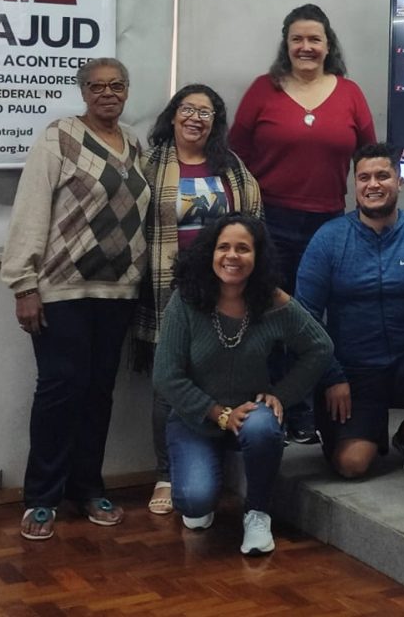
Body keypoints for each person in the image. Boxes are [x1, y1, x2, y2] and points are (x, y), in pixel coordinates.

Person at [2, 58, 151, 541]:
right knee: (59, 391)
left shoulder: (135, 143)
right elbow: (31, 207)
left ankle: (87, 486)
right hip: (61, 290)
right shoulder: (59, 136)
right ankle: (42, 497)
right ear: (83, 91)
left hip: (118, 292)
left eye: (116, 85)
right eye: (97, 86)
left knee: (97, 393)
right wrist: (24, 284)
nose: (107, 93)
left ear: (127, 91)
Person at [231, 3, 374, 441]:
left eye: (315, 39)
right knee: (270, 318)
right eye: (298, 39)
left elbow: (368, 157)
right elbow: (235, 155)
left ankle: (310, 413)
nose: (306, 47)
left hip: (330, 224)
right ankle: (273, 413)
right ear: (286, 44)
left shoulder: (350, 93)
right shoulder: (263, 90)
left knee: (313, 319)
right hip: (269, 223)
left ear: (328, 45)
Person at [153, 215, 332, 555]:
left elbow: (320, 348)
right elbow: (165, 376)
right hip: (195, 419)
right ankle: (205, 481)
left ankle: (257, 513)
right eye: (223, 247)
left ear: (257, 257)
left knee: (265, 427)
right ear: (210, 253)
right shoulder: (186, 300)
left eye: (243, 248)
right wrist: (219, 414)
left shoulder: (273, 301)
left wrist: (283, 394)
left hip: (252, 412)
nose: (232, 256)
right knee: (193, 502)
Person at [296, 143, 404, 479]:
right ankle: (363, 426)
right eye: (364, 177)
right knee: (352, 466)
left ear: (400, 180)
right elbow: (303, 315)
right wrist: (331, 376)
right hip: (351, 368)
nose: (373, 184)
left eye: (383, 175)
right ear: (355, 184)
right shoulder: (329, 238)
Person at [131, 84, 263, 516]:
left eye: (206, 113)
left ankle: (212, 465)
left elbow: (254, 223)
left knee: (222, 370)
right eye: (188, 109)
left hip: (224, 288)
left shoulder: (233, 168)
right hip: (168, 289)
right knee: (167, 383)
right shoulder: (150, 165)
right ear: (173, 116)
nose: (196, 118)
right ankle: (166, 473)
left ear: (215, 122)